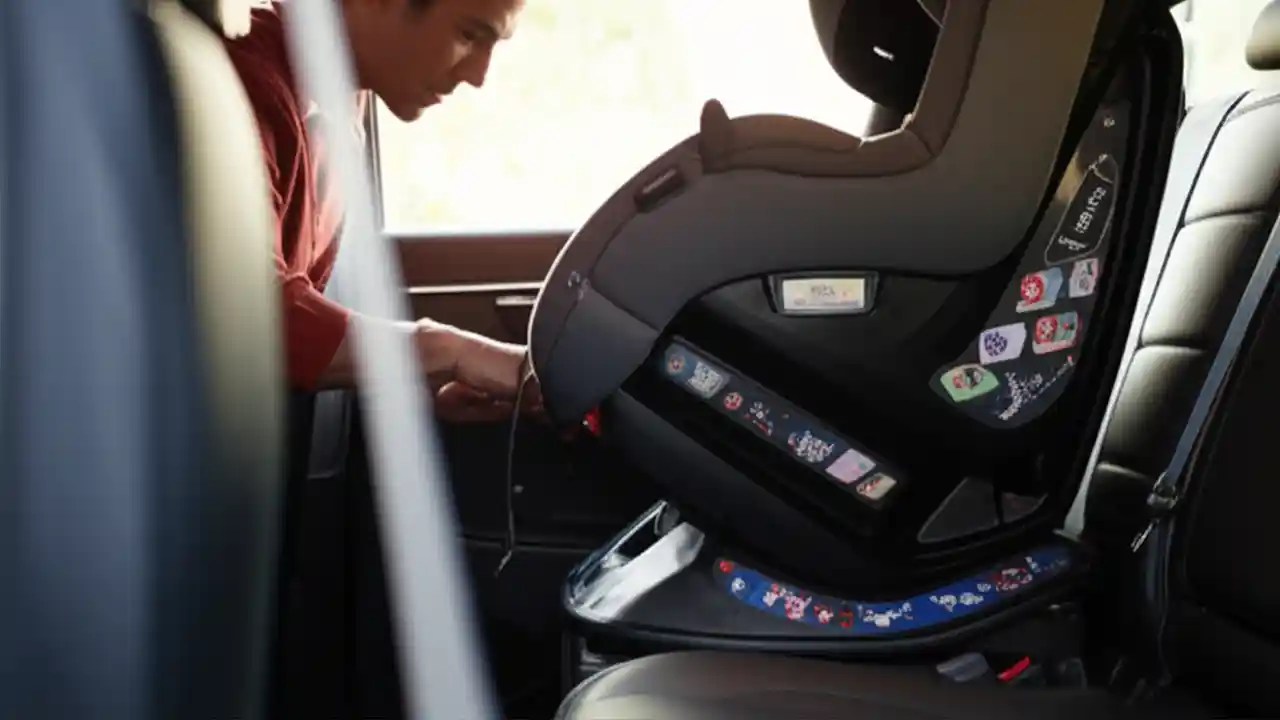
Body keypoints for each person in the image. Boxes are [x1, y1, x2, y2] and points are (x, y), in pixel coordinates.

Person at [224, 0, 539, 422]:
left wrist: (417, 390)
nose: (478, 76)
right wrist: (450, 351)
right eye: (468, 35)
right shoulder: (244, 87)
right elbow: (249, 315)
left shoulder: (341, 98)